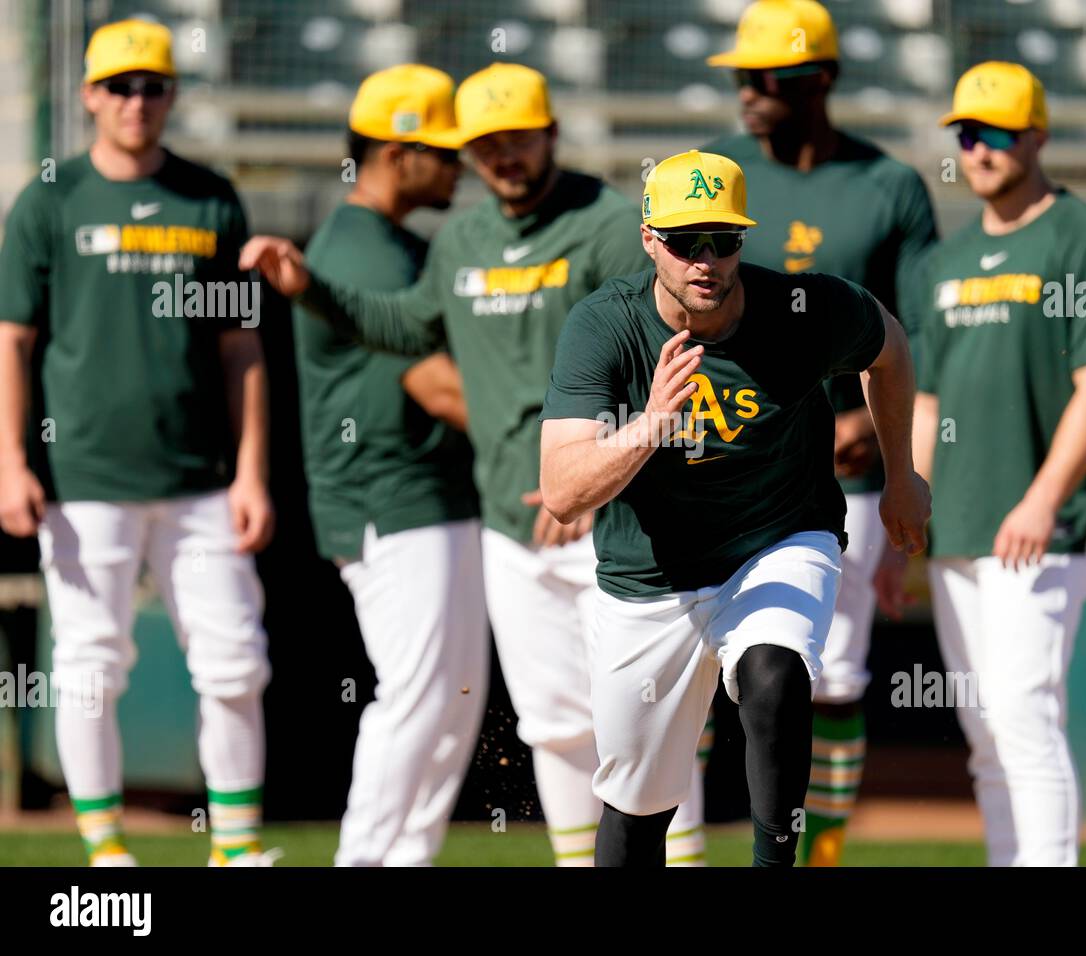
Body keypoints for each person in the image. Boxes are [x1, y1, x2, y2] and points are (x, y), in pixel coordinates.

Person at [242, 63, 706, 866]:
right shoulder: (460, 239)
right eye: (484, 147)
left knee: (643, 715)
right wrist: (309, 288)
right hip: (508, 520)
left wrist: (601, 468)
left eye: (517, 139)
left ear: (551, 133)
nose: (502, 159)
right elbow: (408, 328)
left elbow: (656, 352)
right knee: (554, 722)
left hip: (611, 514)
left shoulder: (603, 222)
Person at [538, 149, 929, 866]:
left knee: (776, 672)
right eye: (687, 242)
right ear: (650, 239)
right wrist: (652, 422)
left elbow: (890, 347)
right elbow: (562, 492)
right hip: (651, 578)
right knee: (635, 810)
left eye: (724, 240)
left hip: (779, 535)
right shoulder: (605, 327)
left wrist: (901, 473)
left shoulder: (801, 308)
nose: (706, 260)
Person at [0, 20, 274, 866]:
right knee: (88, 663)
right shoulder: (50, 198)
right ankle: (105, 848)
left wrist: (252, 472)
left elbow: (242, 347)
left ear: (171, 94)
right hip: (84, 476)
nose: (136, 101)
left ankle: (236, 847)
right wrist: (11, 460)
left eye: (152, 84)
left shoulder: (212, 197)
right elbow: (12, 338)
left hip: (201, 479)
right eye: (119, 86)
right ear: (88, 95)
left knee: (235, 663)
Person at [704, 0, 938, 865]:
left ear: (822, 79)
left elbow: (915, 341)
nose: (751, 90)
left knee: (829, 675)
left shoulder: (890, 185)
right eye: (742, 76)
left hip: (848, 475)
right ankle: (684, 845)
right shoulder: (715, 174)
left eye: (770, 75)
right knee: (694, 674)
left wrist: (896, 455)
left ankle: (822, 851)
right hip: (723, 462)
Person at [901, 63, 1086, 866]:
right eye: (967, 134)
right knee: (988, 736)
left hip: (1044, 528)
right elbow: (925, 403)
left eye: (998, 131)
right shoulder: (945, 261)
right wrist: (911, 508)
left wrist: (1041, 501)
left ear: (1036, 134)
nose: (980, 148)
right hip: (959, 527)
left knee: (1026, 718)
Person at [294, 65, 487, 866]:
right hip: (388, 494)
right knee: (415, 698)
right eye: (443, 152)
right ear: (394, 153)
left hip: (428, 495)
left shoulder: (401, 244)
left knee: (449, 703)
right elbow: (435, 382)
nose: (460, 167)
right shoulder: (366, 250)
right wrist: (555, 444)